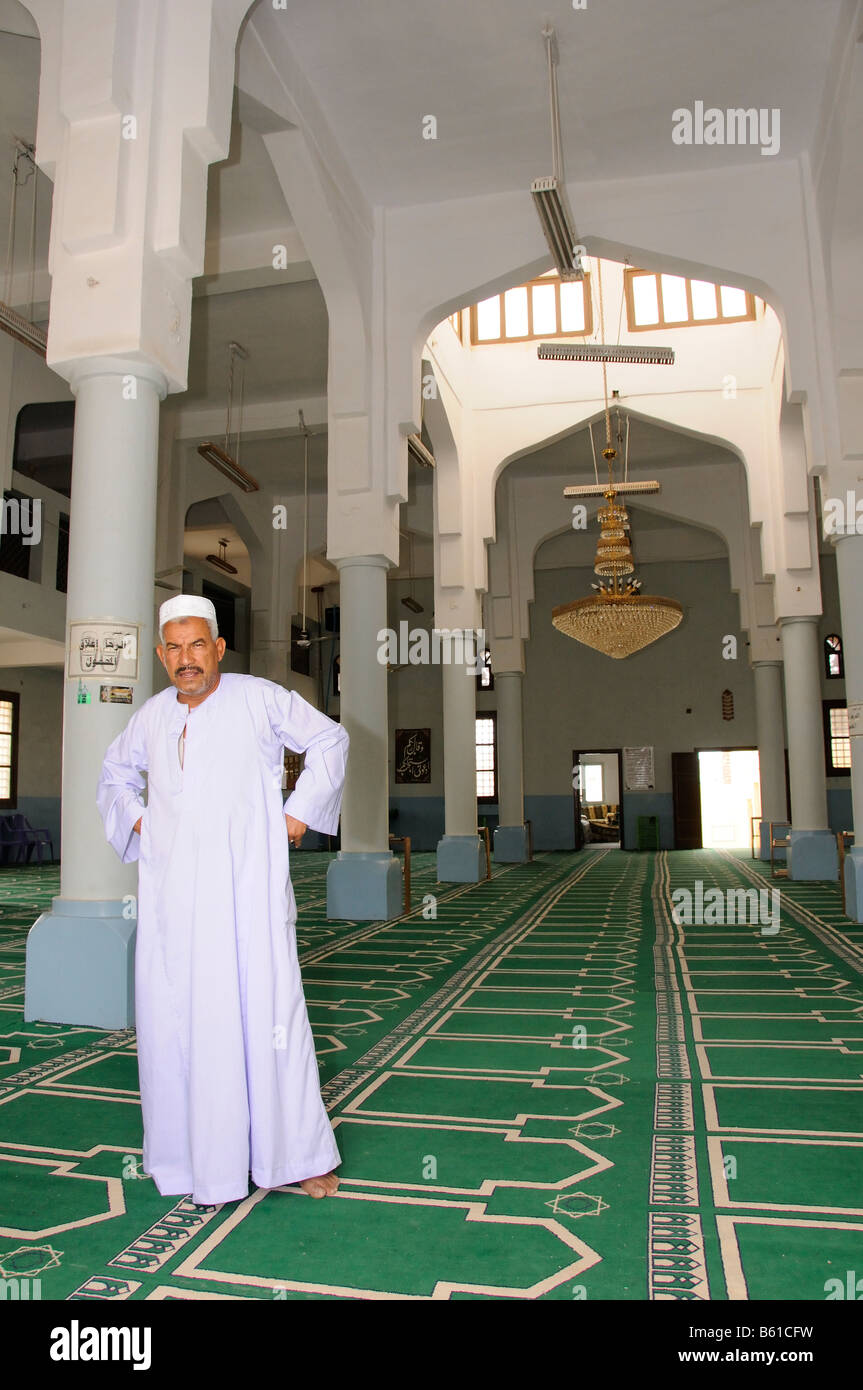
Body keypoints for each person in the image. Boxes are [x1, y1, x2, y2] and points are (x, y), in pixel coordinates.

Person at [97, 594, 348, 1206]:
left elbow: (330, 740)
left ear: (218, 648)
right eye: (174, 649)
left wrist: (298, 814)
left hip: (249, 896)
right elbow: (113, 776)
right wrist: (139, 824)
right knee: (179, 1023)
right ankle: (189, 1163)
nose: (187, 659)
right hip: (171, 904)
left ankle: (290, 1158)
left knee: (269, 1020)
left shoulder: (260, 698)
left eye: (197, 645)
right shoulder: (152, 716)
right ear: (162, 655)